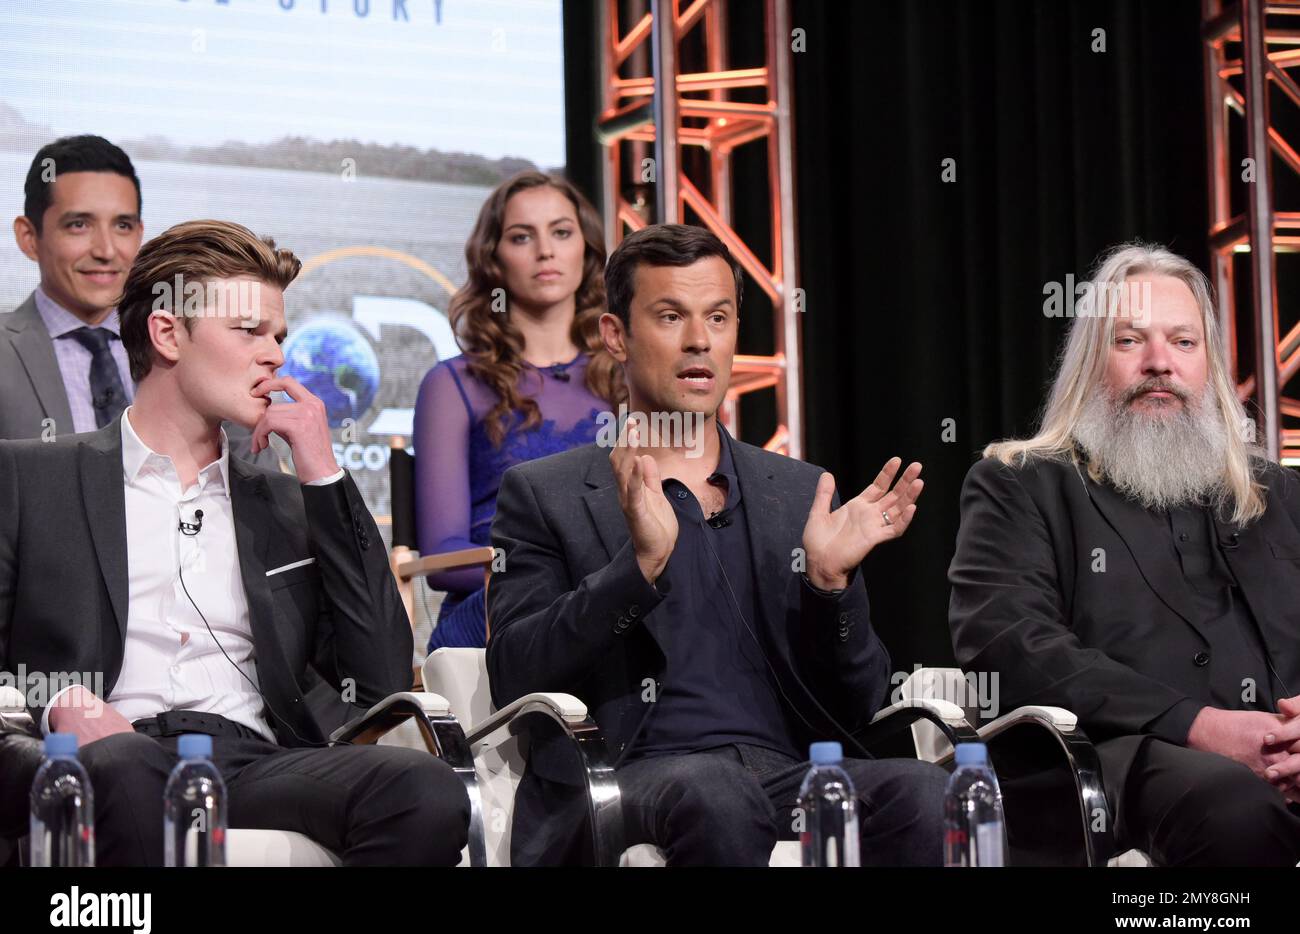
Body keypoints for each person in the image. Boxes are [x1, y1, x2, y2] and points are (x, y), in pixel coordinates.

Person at [0, 219, 469, 865]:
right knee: (128, 768)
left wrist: (323, 475)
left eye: (278, 335)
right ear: (167, 333)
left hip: (248, 759)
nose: (275, 353)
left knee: (425, 789)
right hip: (99, 753)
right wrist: (57, 703)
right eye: (249, 332)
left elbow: (378, 677)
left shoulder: (285, 503)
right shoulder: (30, 476)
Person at [486, 223, 948, 866]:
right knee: (716, 790)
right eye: (671, 315)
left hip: (783, 775)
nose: (700, 340)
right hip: (625, 780)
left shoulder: (798, 491)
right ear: (615, 335)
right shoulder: (547, 493)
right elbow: (514, 671)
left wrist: (829, 588)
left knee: (927, 792)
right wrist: (639, 567)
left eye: (719, 317)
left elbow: (860, 703)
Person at [949, 242, 1300, 866]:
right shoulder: (1022, 482)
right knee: (1236, 809)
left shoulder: (1278, 492)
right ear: (1091, 362)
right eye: (1130, 340)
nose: (1160, 363)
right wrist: (1200, 726)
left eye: (1184, 342)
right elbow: (1007, 643)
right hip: (1126, 757)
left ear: (1210, 365)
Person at [413, 171, 621, 650]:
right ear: (494, 260)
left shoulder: (626, 378)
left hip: (616, 602)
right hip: (499, 610)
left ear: (586, 250)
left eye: (562, 232)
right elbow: (443, 557)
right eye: (521, 236)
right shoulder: (454, 384)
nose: (545, 250)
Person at [0, 134, 273, 466]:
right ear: (29, 238)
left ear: (140, 234)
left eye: (123, 225)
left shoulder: (195, 345)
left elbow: (260, 485)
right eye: (78, 225)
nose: (106, 251)